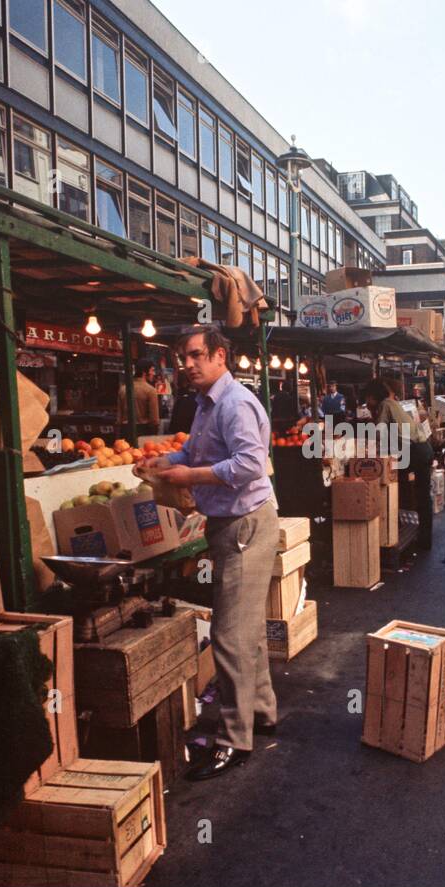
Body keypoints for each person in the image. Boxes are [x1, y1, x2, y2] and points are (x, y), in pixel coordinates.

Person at [136, 327, 278, 782]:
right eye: (183, 357)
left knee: (229, 634)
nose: (188, 364)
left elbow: (250, 464)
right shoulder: (207, 404)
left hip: (244, 525)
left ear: (220, 355)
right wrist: (167, 460)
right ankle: (261, 711)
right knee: (247, 627)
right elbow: (199, 450)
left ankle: (234, 740)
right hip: (235, 524)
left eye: (197, 355)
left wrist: (189, 476)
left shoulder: (234, 403)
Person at [364, 379, 434, 551]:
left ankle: (394, 527)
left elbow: (379, 433)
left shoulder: (384, 405)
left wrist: (368, 450)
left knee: (390, 483)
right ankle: (423, 538)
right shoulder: (392, 403)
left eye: (368, 398)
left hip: (413, 452)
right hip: (423, 449)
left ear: (373, 396)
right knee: (422, 495)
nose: (366, 403)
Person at [118, 359, 160, 436]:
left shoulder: (123, 389)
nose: (154, 373)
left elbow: (119, 418)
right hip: (143, 431)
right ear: (144, 372)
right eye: (152, 370)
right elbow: (154, 420)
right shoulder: (150, 390)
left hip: (125, 431)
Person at [169, 370, 198, 435]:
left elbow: (174, 424)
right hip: (191, 435)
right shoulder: (196, 397)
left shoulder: (182, 399)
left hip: (181, 436)